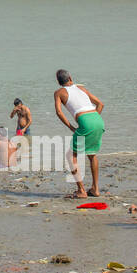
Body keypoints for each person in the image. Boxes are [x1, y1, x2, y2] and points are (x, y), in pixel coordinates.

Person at [54, 69, 106, 198]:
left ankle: (82, 191)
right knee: (92, 154)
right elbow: (100, 104)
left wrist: (71, 127)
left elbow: (59, 112)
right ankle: (95, 189)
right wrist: (93, 120)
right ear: (70, 77)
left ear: (58, 82)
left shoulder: (59, 92)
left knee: (71, 156)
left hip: (85, 121)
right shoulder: (81, 88)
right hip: (97, 120)